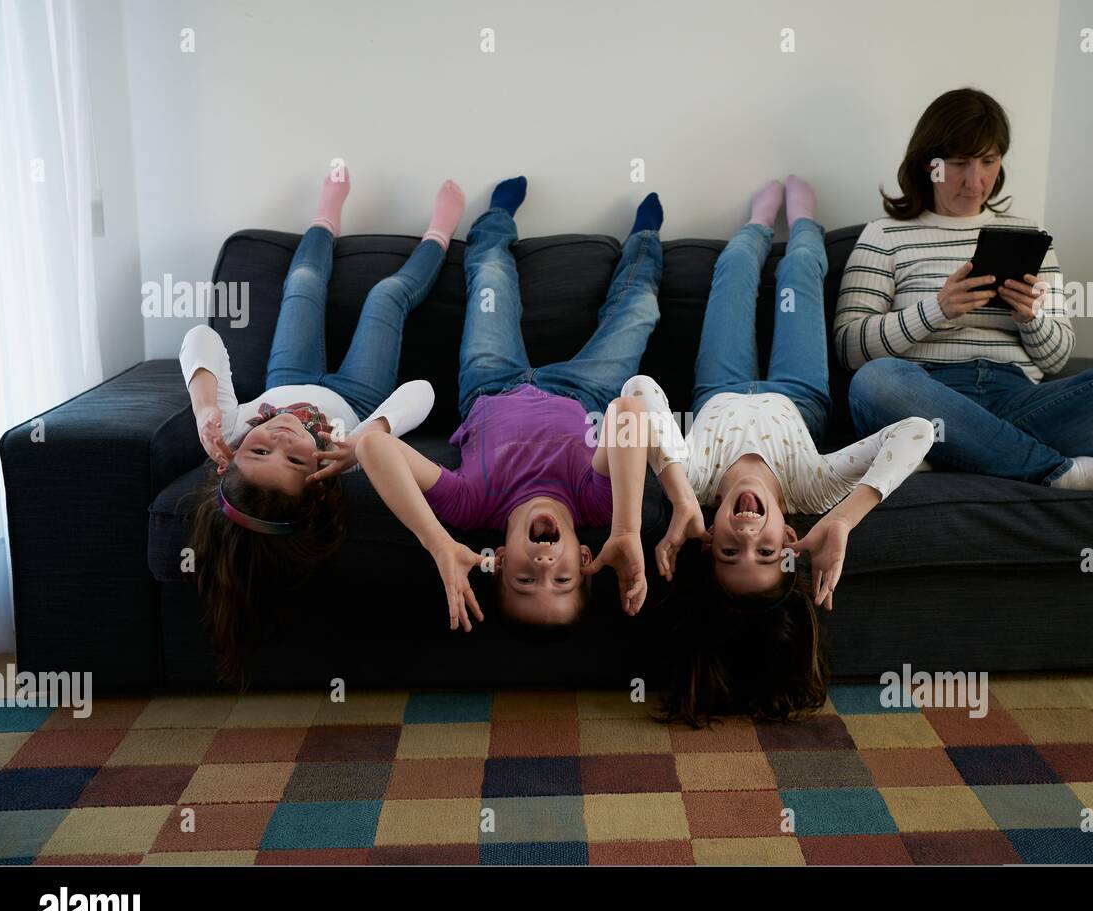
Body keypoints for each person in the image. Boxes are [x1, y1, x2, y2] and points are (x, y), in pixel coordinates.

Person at [625, 177, 933, 726]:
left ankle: (757, 223)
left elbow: (641, 391)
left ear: (708, 537)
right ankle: (803, 220)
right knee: (797, 272)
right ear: (790, 538)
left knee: (735, 271)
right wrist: (841, 521)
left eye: (728, 553)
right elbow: (916, 431)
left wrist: (680, 501)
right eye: (766, 554)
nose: (747, 539)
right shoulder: (812, 486)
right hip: (800, 392)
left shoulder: (691, 480)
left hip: (715, 389)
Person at [356, 177, 669, 632]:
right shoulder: (599, 505)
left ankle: (495, 219)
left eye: (525, 579)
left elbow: (372, 449)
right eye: (562, 578)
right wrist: (625, 531)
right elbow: (628, 414)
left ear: (499, 559)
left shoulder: (471, 506)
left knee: (491, 277)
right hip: (584, 391)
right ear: (584, 556)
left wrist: (439, 544)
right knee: (640, 310)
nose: (544, 565)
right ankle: (645, 239)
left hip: (490, 384)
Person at [182, 167, 458, 683]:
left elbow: (202, 336)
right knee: (385, 297)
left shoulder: (231, 428)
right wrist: (365, 438)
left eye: (258, 452)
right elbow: (424, 392)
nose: (280, 440)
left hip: (286, 373)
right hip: (358, 394)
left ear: (228, 463)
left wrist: (203, 406)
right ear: (317, 481)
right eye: (292, 460)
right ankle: (439, 233)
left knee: (303, 282)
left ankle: (325, 215)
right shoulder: (343, 459)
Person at [837, 88, 1093, 495]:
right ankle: (1061, 471)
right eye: (959, 163)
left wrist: (1031, 319)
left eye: (988, 162)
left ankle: (949, 452)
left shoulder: (1029, 238)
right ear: (930, 164)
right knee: (876, 382)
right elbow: (850, 350)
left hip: (1016, 396)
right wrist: (936, 310)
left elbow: (1057, 356)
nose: (974, 181)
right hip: (926, 394)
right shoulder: (884, 236)